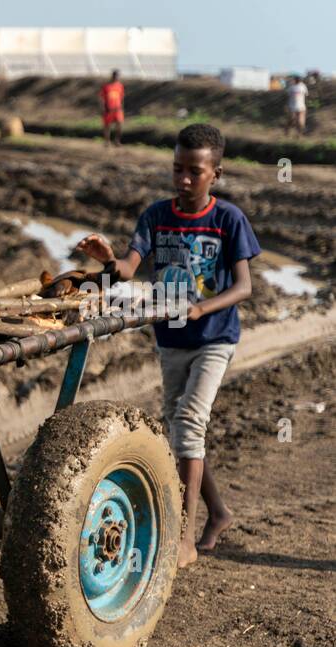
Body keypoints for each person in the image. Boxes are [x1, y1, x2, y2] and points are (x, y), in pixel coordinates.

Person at [75, 124, 260, 567]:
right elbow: (128, 267)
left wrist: (203, 308)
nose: (183, 179)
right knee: (182, 430)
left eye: (194, 171)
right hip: (170, 339)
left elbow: (244, 287)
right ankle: (219, 513)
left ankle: (184, 537)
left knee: (189, 423)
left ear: (215, 173)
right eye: (177, 169)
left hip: (213, 337)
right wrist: (108, 261)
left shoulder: (227, 220)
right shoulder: (156, 216)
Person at [101, 70, 124, 146]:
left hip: (117, 109)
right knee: (107, 126)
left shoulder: (120, 86)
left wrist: (121, 107)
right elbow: (102, 98)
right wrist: (103, 108)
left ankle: (117, 141)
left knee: (119, 124)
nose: (116, 77)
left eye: (118, 76)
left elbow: (121, 97)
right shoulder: (106, 86)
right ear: (112, 76)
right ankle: (107, 141)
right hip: (108, 109)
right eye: (115, 76)